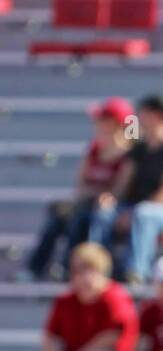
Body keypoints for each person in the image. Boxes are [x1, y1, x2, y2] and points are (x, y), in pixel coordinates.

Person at [14, 242, 138, 351]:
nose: (83, 277)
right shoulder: (66, 300)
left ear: (102, 272)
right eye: (78, 271)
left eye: (88, 270)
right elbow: (49, 337)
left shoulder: (114, 297)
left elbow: (111, 337)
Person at [25, 98, 135, 282]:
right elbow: (81, 184)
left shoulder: (127, 156)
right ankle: (36, 268)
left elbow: (120, 190)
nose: (97, 125)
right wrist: (91, 195)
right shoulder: (93, 150)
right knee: (61, 216)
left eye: (102, 121)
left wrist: (102, 196)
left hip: (110, 209)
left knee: (97, 217)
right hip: (88, 203)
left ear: (114, 124)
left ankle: (91, 268)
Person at [89, 94, 163, 284]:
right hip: (134, 208)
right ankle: (96, 268)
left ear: (156, 116)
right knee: (104, 213)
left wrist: (133, 212)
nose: (138, 118)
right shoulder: (140, 147)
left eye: (142, 114)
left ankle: (136, 272)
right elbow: (123, 182)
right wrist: (112, 199)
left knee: (144, 214)